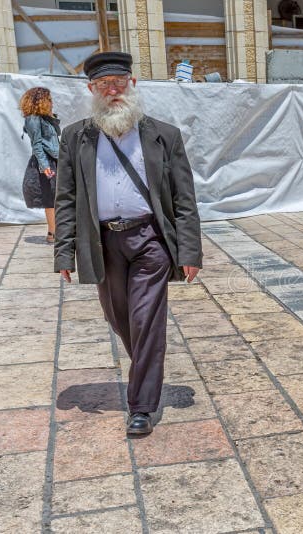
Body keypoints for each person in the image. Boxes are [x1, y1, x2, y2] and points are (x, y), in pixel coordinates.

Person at [54, 52, 203, 435]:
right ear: (91, 90)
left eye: (119, 82)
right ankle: (147, 368)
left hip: (150, 239)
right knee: (120, 319)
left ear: (133, 84)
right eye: (104, 85)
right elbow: (66, 197)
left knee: (145, 320)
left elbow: (183, 198)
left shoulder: (163, 135)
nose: (113, 90)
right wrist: (63, 251)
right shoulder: (76, 136)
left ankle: (142, 406)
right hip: (103, 242)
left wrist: (189, 251)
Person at [20, 87, 60, 242]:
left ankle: (58, 231)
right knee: (50, 198)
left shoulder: (45, 118)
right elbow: (36, 144)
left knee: (57, 197)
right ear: (41, 101)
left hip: (55, 160)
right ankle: (53, 233)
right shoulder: (33, 119)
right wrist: (44, 166)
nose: (51, 102)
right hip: (45, 162)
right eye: (48, 99)